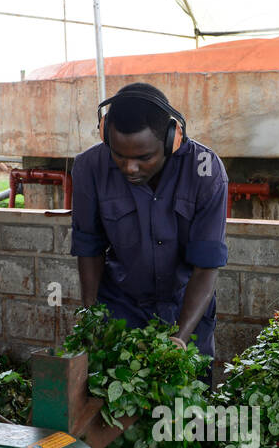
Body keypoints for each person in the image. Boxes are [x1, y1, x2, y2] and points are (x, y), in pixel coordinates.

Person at [70, 83, 228, 382]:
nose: (130, 168)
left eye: (144, 158)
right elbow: (88, 247)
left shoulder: (205, 171)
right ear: (105, 135)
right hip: (121, 310)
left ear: (172, 140)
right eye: (119, 155)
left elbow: (207, 265)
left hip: (187, 310)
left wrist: (179, 339)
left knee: (187, 412)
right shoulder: (89, 167)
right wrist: (91, 321)